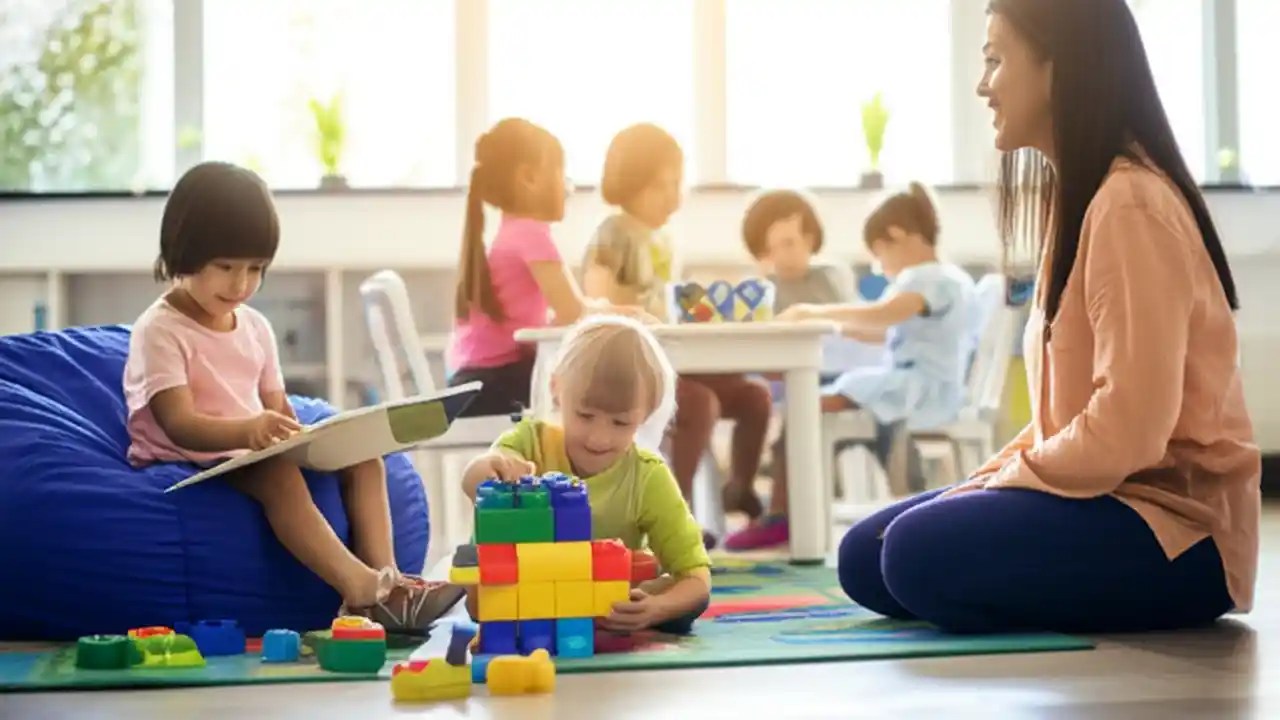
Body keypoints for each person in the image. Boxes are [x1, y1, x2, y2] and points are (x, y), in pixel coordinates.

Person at [837, 0, 1259, 634]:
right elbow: (1057, 421)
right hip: (1102, 498)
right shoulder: (1079, 201)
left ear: (1059, 66)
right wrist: (988, 481)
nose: (983, 85)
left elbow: (1129, 432)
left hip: (1176, 534)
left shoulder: (1130, 204)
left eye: (995, 60)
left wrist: (1002, 485)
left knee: (913, 553)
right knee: (864, 554)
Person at [124, 162, 452, 632]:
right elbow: (179, 423)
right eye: (226, 267)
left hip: (243, 447)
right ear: (184, 250)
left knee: (366, 459)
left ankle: (388, 583)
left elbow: (277, 405)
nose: (241, 285)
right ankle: (356, 588)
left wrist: (310, 440)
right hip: (186, 458)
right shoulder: (160, 330)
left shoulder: (255, 327)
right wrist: (251, 431)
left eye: (255, 269)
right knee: (278, 477)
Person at [724, 182, 973, 550]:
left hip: (918, 388)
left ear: (896, 236)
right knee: (812, 404)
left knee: (805, 408)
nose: (881, 267)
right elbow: (881, 331)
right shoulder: (945, 278)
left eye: (878, 255)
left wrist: (817, 312)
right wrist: (843, 328)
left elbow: (884, 315)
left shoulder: (928, 279)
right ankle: (791, 509)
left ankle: (782, 514)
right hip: (921, 384)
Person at [581, 123, 773, 541]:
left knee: (755, 396)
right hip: (635, 369)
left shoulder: (664, 238)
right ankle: (674, 515)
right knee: (700, 404)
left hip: (675, 360)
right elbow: (598, 303)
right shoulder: (614, 233)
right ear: (631, 184)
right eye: (662, 186)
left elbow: (668, 307)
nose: (674, 196)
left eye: (677, 184)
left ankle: (738, 488)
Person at [461, 315, 712, 634]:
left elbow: (696, 577)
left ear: (646, 413)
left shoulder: (647, 476)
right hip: (520, 599)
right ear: (556, 390)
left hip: (602, 609)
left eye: (620, 423)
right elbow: (473, 482)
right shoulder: (528, 442)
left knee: (682, 605)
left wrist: (655, 610)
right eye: (585, 415)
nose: (599, 438)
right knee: (480, 597)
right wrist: (492, 469)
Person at [447, 118, 642, 418]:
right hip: (495, 385)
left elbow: (560, 316)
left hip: (471, 386)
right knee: (604, 391)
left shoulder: (510, 232)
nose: (568, 188)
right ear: (529, 178)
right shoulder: (532, 234)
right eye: (561, 174)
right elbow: (573, 312)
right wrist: (619, 314)